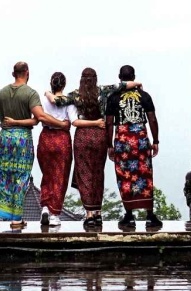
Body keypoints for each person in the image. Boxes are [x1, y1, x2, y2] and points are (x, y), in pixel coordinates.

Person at [0, 61, 44, 231]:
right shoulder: (31, 93)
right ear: (27, 72)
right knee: (21, 177)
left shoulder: (1, 93)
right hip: (23, 140)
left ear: (13, 74)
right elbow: (37, 118)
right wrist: (21, 122)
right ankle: (16, 219)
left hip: (4, 137)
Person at [105, 64, 160, 230]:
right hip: (140, 138)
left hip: (122, 139)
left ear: (119, 78)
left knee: (124, 175)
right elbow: (152, 119)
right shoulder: (144, 96)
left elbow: (109, 123)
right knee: (145, 173)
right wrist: (155, 141)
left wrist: (109, 145)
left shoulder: (113, 97)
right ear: (134, 77)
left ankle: (129, 216)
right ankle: (150, 215)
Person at [69, 67, 112, 229]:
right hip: (100, 135)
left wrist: (47, 93)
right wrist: (136, 84)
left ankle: (89, 215)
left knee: (85, 174)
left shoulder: (75, 95)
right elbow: (121, 86)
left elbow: (57, 100)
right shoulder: (103, 92)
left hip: (82, 136)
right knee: (98, 174)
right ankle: (98, 213)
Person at [36, 72, 75, 228]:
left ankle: (45, 206)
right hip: (62, 140)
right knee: (60, 177)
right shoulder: (68, 101)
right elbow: (71, 121)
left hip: (46, 138)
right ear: (64, 85)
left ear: (51, 83)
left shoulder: (43, 100)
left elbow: (39, 118)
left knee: (47, 174)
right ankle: (54, 214)